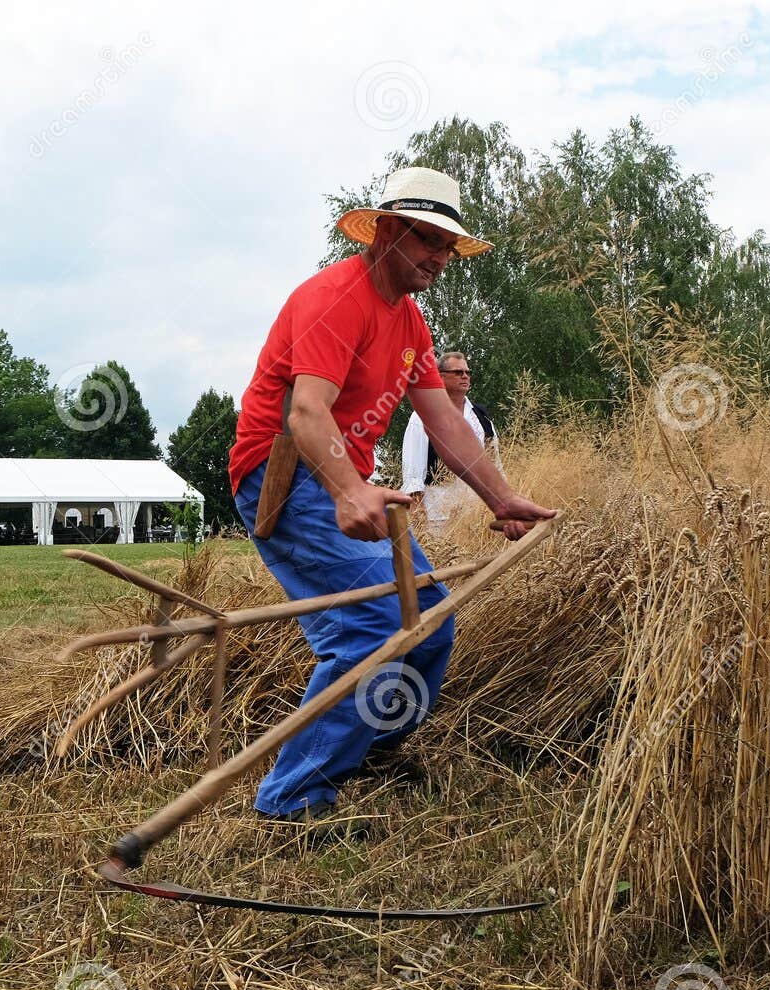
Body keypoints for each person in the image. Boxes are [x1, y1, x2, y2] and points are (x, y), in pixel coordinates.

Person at [229, 166, 555, 837]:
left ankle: (364, 750)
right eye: (428, 240)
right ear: (385, 232)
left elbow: (445, 424)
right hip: (284, 478)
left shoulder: (410, 324)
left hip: (342, 480)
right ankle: (293, 801)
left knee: (430, 621)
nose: (440, 258)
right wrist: (349, 490)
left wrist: (502, 499)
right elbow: (307, 413)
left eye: (447, 247)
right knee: (375, 631)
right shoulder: (333, 299)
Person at [400, 350, 498, 527]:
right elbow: (412, 471)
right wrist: (417, 510)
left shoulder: (481, 416)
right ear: (441, 377)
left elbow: (495, 463)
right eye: (458, 372)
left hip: (477, 510)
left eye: (467, 372)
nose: (465, 376)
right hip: (439, 511)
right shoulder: (422, 415)